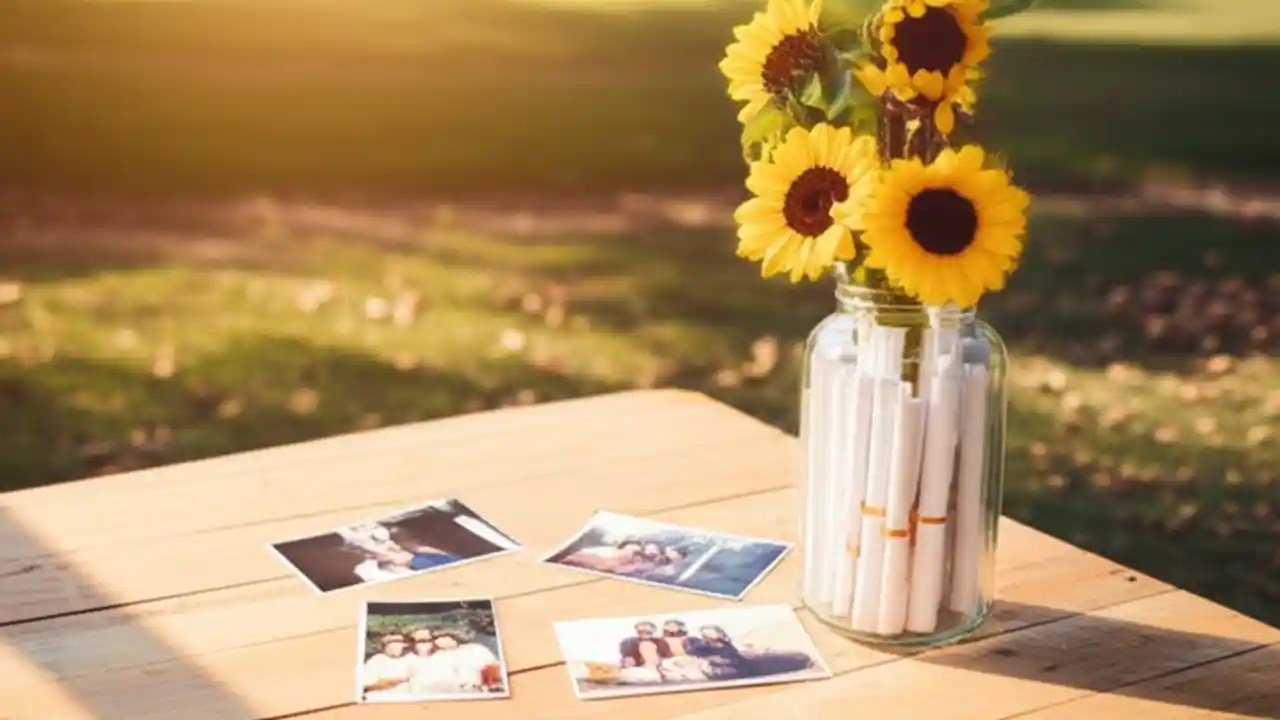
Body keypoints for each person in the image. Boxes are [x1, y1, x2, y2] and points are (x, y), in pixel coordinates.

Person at [361, 633, 414, 701]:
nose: (394, 645)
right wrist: (392, 682)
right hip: (380, 700)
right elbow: (367, 686)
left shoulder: (412, 658)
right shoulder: (376, 660)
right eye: (390, 642)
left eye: (398, 641)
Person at [562, 539, 645, 573]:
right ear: (619, 549)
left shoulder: (631, 565)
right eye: (630, 551)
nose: (631, 555)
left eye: (636, 553)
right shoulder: (600, 552)